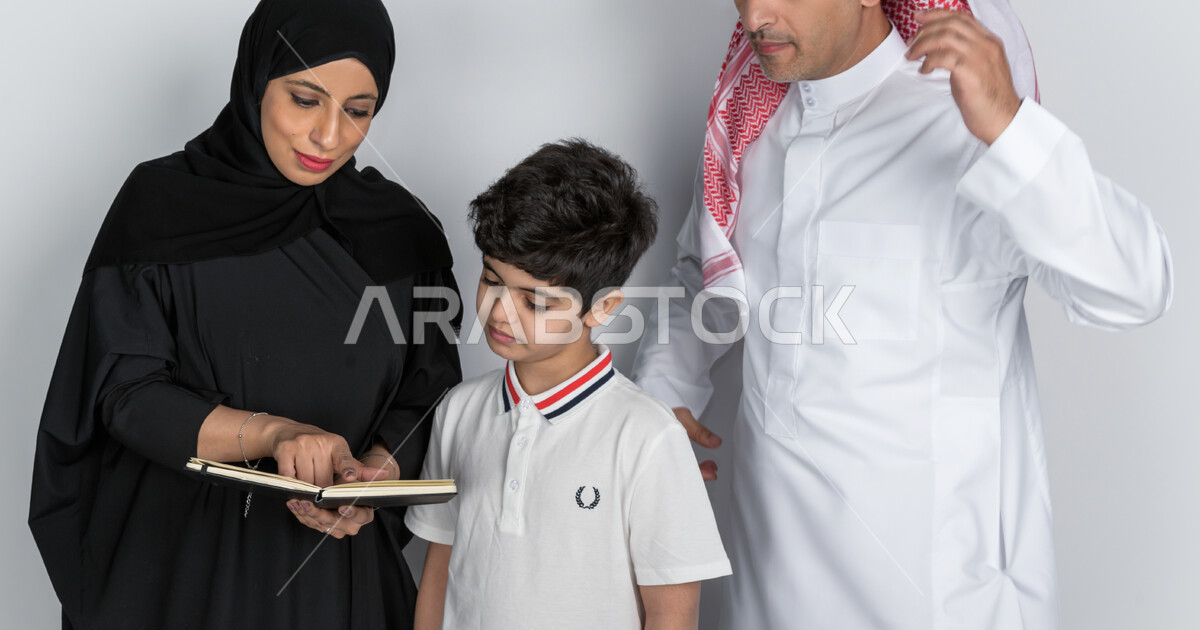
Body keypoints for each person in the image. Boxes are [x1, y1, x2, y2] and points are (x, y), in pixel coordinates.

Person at [633, 0, 1173, 628]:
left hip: (946, 598)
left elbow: (1137, 289)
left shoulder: (967, 127)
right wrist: (660, 400)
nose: (756, 15)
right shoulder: (750, 132)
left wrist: (1011, 127)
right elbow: (706, 277)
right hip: (771, 591)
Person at [27, 1, 462, 628]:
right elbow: (122, 389)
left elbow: (430, 394)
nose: (329, 136)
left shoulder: (403, 233)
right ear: (257, 80)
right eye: (305, 99)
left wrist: (374, 475)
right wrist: (274, 436)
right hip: (177, 570)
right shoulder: (161, 205)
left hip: (334, 575)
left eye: (358, 111)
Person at [405, 140, 732, 630]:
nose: (500, 310)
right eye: (491, 280)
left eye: (535, 303)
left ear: (602, 309)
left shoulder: (647, 435)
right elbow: (438, 573)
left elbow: (673, 614)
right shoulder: (458, 411)